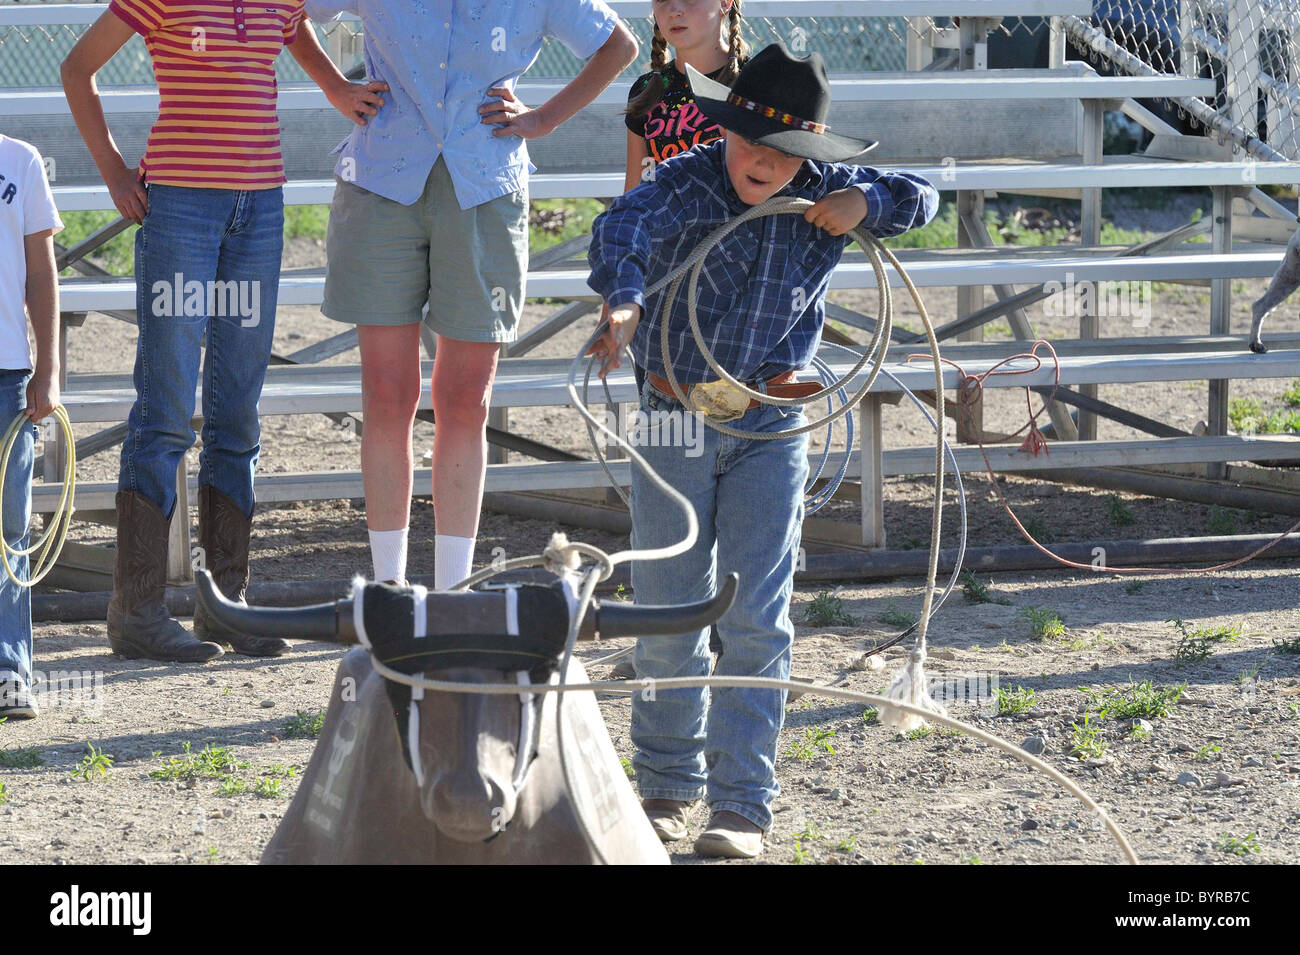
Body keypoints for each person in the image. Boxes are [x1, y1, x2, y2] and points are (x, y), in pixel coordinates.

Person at [587, 44, 938, 858]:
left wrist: (865, 201)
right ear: (725, 130)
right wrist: (627, 299)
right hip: (673, 408)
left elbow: (922, 196)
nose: (764, 162)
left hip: (772, 421)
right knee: (670, 605)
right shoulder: (686, 180)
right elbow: (623, 224)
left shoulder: (824, 194)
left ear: (810, 156)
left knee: (755, 611)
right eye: (751, 144)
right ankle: (669, 786)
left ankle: (741, 804)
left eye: (785, 153)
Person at [62, 1, 388, 662]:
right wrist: (115, 173)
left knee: (237, 414)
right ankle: (137, 609)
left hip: (260, 210)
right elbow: (76, 69)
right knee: (166, 412)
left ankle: (226, 606)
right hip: (180, 206)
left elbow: (293, 28)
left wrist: (334, 88)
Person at [302, 0, 637, 591]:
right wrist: (335, 85)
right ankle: (388, 589)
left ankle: (454, 590)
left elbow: (619, 45)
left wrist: (543, 118)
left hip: (485, 188)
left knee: (466, 399)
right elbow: (285, 12)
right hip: (381, 182)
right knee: (386, 392)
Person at [0, 135, 61, 721]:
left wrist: (48, 366)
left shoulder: (19, 159)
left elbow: (40, 272)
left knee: (9, 524)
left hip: (7, 371)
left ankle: (9, 672)